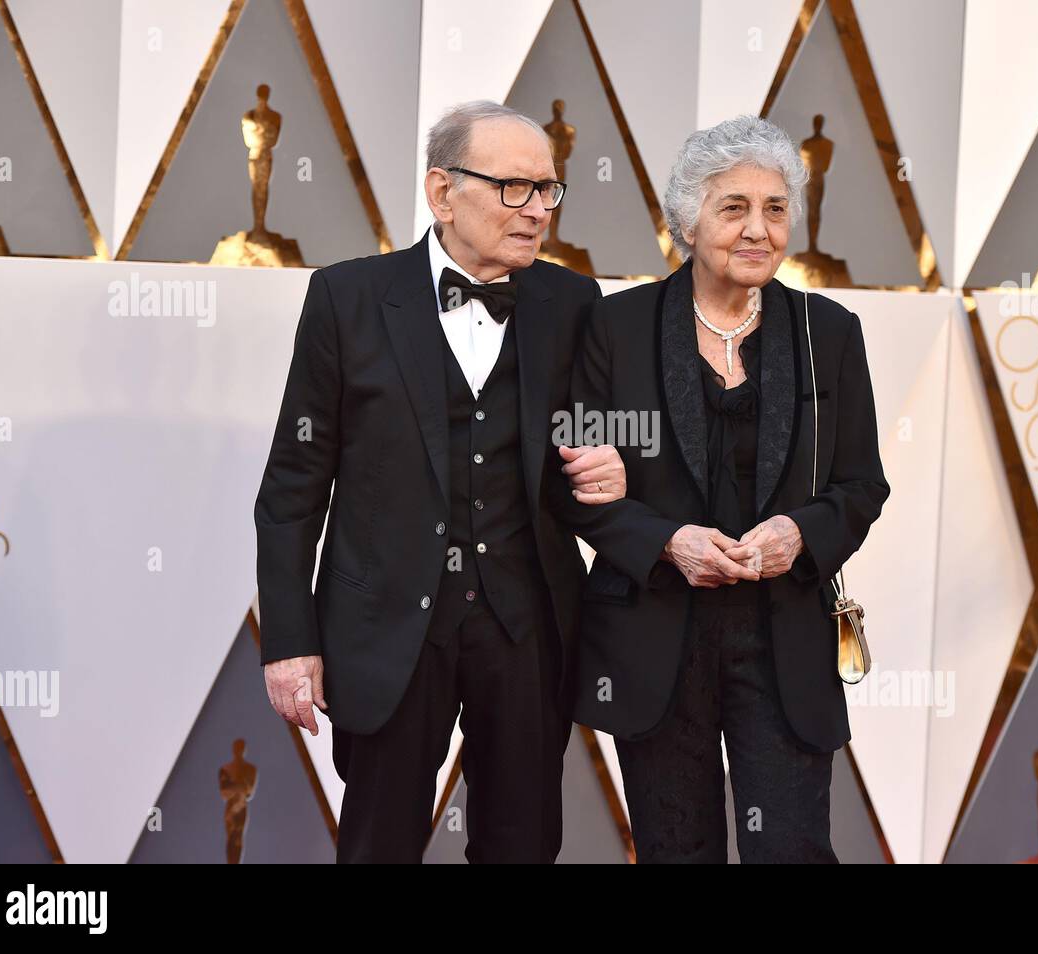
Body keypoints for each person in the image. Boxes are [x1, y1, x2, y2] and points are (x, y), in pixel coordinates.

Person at [254, 100, 626, 863]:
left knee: (521, 845)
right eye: (513, 188)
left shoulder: (573, 303)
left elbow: (587, 453)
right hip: (388, 625)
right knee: (378, 845)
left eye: (548, 191)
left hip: (526, 625)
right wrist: (289, 642)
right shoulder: (346, 297)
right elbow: (294, 485)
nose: (536, 211)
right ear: (441, 191)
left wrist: (614, 461)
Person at [555, 115, 890, 862]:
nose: (758, 229)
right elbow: (573, 482)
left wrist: (800, 533)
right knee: (677, 850)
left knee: (792, 851)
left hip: (785, 633)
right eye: (732, 207)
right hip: (656, 636)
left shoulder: (826, 332)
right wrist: (667, 541)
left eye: (775, 209)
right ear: (687, 219)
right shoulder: (617, 326)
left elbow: (862, 484)